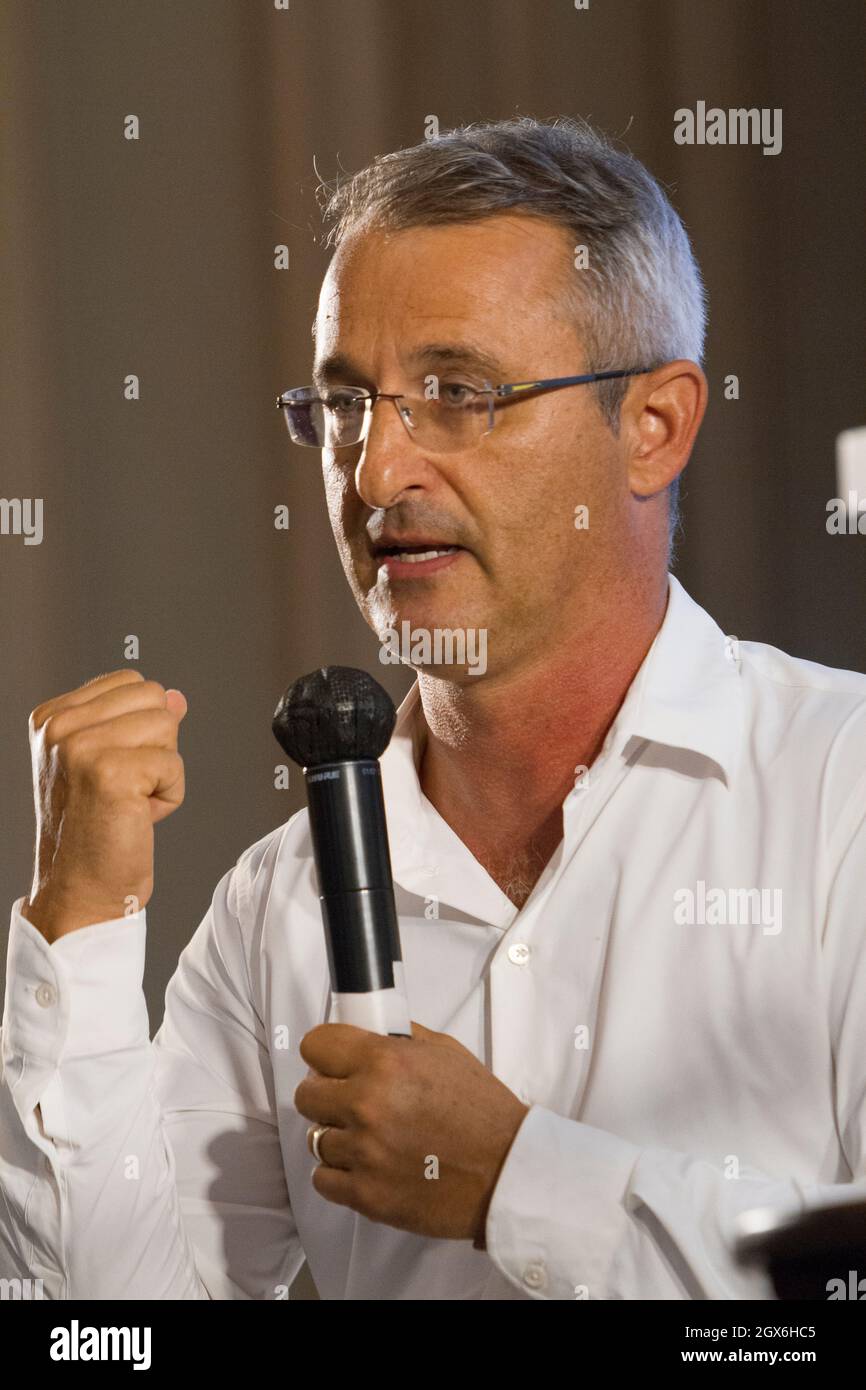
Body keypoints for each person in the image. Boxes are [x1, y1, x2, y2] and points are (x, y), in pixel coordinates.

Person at [2, 116, 866, 1301]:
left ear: (652, 427)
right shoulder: (275, 901)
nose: (373, 472)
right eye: (345, 403)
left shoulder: (840, 794)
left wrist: (520, 1180)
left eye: (457, 392)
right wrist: (80, 918)